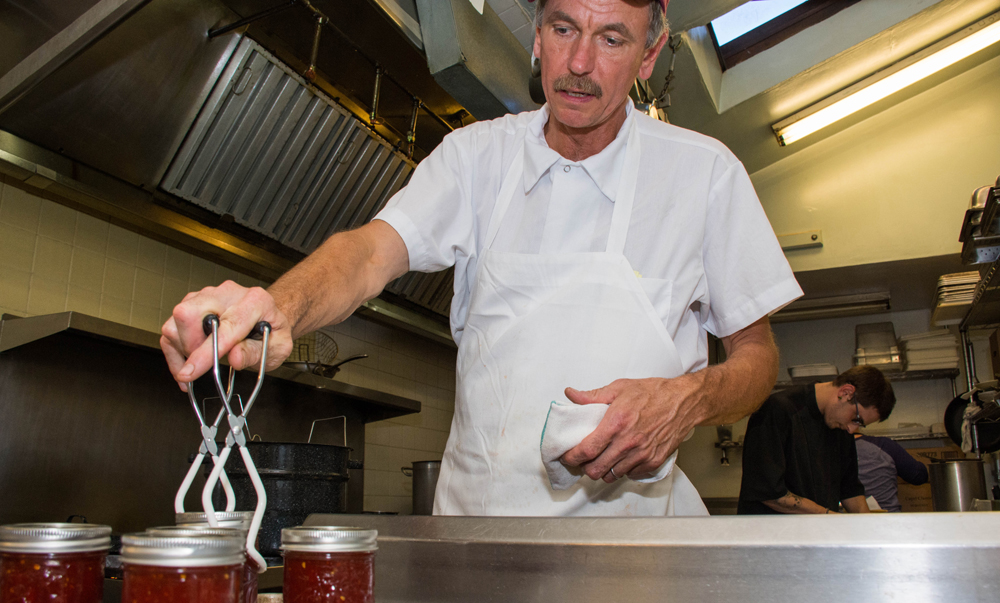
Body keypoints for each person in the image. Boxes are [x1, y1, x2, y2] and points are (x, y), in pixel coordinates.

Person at [160, 0, 802, 517]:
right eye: (562, 28)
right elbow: (367, 253)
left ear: (649, 52)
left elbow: (758, 359)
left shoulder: (704, 173)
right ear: (536, 35)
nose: (579, 63)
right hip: (482, 540)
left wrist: (689, 398)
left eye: (611, 39)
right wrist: (278, 308)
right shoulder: (476, 158)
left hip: (638, 552)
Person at [737, 366, 897, 515]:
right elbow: (769, 493)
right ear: (846, 392)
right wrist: (828, 518)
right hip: (771, 539)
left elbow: (850, 489)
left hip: (815, 536)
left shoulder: (840, 424)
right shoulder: (777, 410)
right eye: (857, 419)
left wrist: (867, 529)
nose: (852, 429)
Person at [855, 435, 928, 512]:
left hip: (847, 520)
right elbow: (919, 476)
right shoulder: (883, 445)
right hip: (889, 518)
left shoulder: (842, 450)